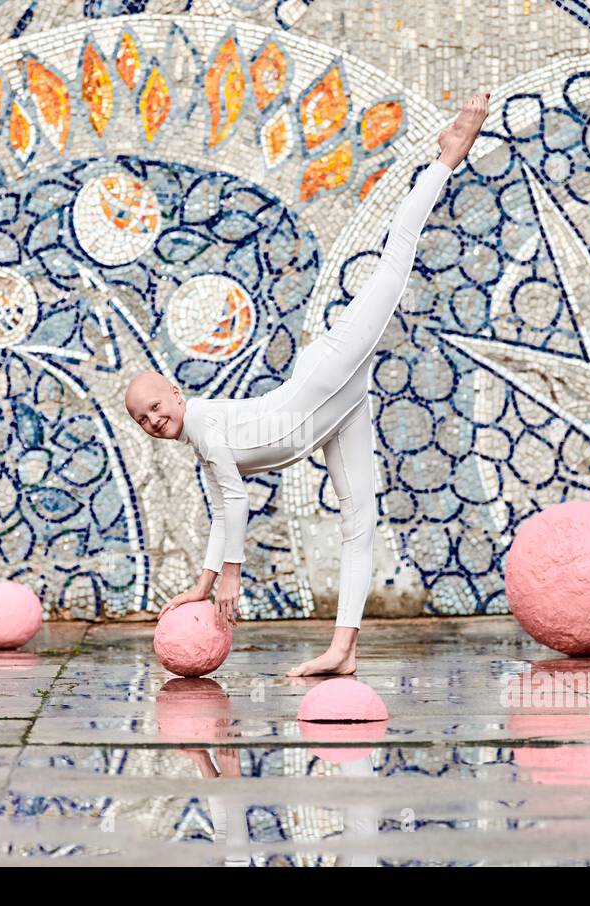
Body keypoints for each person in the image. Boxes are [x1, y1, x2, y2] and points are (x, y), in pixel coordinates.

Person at [126, 93, 491, 677]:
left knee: (393, 263)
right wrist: (201, 585)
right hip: (334, 413)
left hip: (326, 377)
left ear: (173, 392)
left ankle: (447, 158)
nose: (151, 420)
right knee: (360, 524)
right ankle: (343, 650)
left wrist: (231, 575)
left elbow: (240, 501)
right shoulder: (201, 446)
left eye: (152, 407)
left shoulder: (202, 423)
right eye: (141, 421)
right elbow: (223, 513)